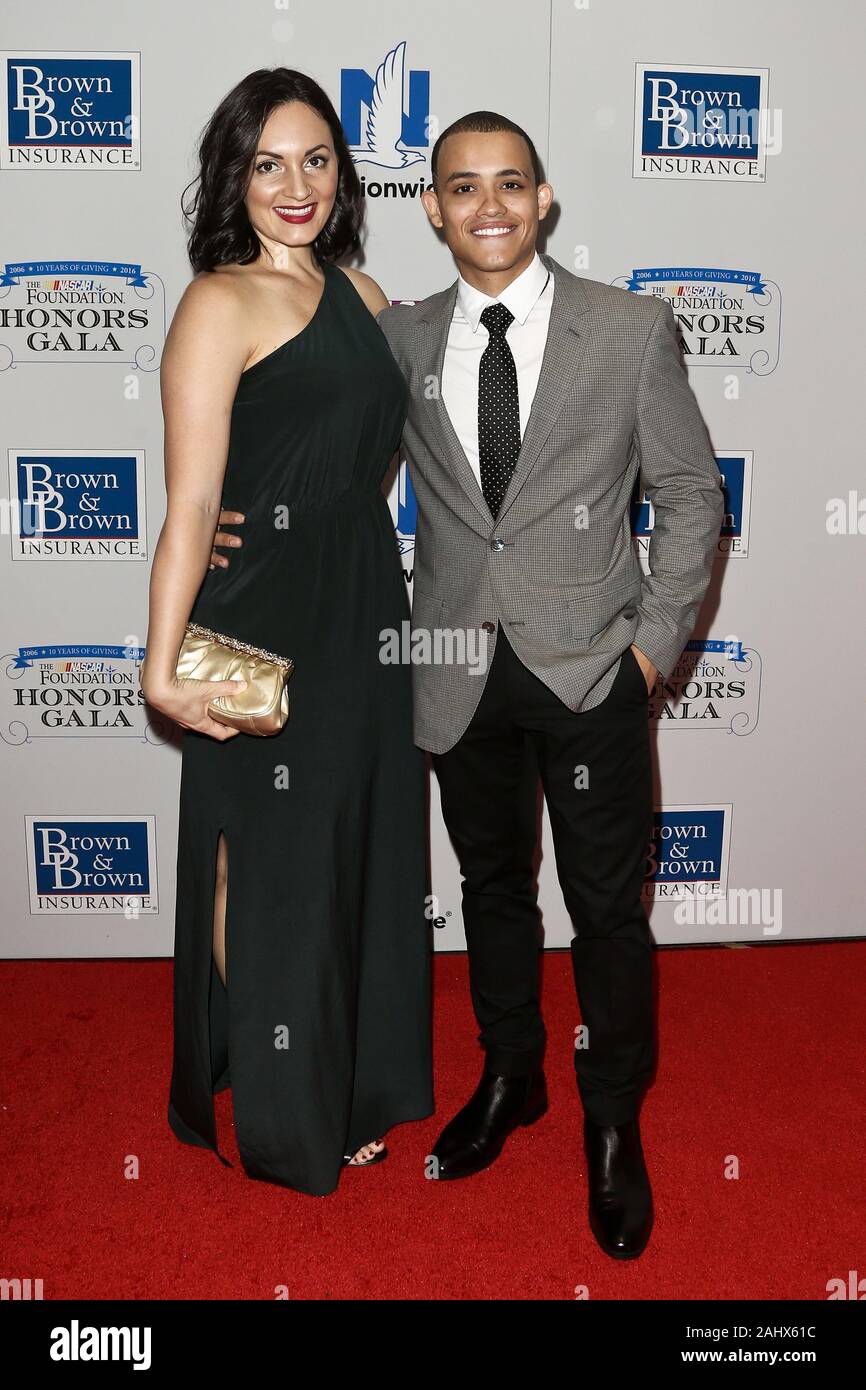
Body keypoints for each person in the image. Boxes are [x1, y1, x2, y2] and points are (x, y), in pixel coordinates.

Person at [211, 110, 724, 1255]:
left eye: (509, 185)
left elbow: (690, 494)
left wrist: (652, 647)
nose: (486, 206)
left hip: (591, 666)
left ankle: (609, 1123)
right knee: (491, 891)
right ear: (431, 208)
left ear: (542, 200)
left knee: (603, 912)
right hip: (449, 670)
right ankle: (511, 1077)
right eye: (460, 187)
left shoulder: (629, 329)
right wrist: (220, 523)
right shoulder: (396, 337)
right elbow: (312, 442)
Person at [140, 68, 433, 1197]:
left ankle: (350, 1076)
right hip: (255, 613)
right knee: (262, 868)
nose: (295, 184)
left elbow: (388, 452)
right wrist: (161, 667)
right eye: (268, 163)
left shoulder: (364, 299)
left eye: (315, 159)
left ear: (343, 174)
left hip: (363, 607)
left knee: (354, 855)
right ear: (235, 177)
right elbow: (189, 507)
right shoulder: (215, 301)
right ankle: (282, 1100)